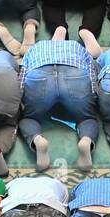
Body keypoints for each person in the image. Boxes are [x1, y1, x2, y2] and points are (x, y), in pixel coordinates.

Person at [17, 32, 99, 174]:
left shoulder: (36, 46)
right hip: (75, 75)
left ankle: (37, 139)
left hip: (40, 75)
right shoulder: (76, 45)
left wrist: (20, 99)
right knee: (87, 118)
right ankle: (86, 140)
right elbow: (92, 71)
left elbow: (22, 74)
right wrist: (94, 97)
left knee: (29, 118)